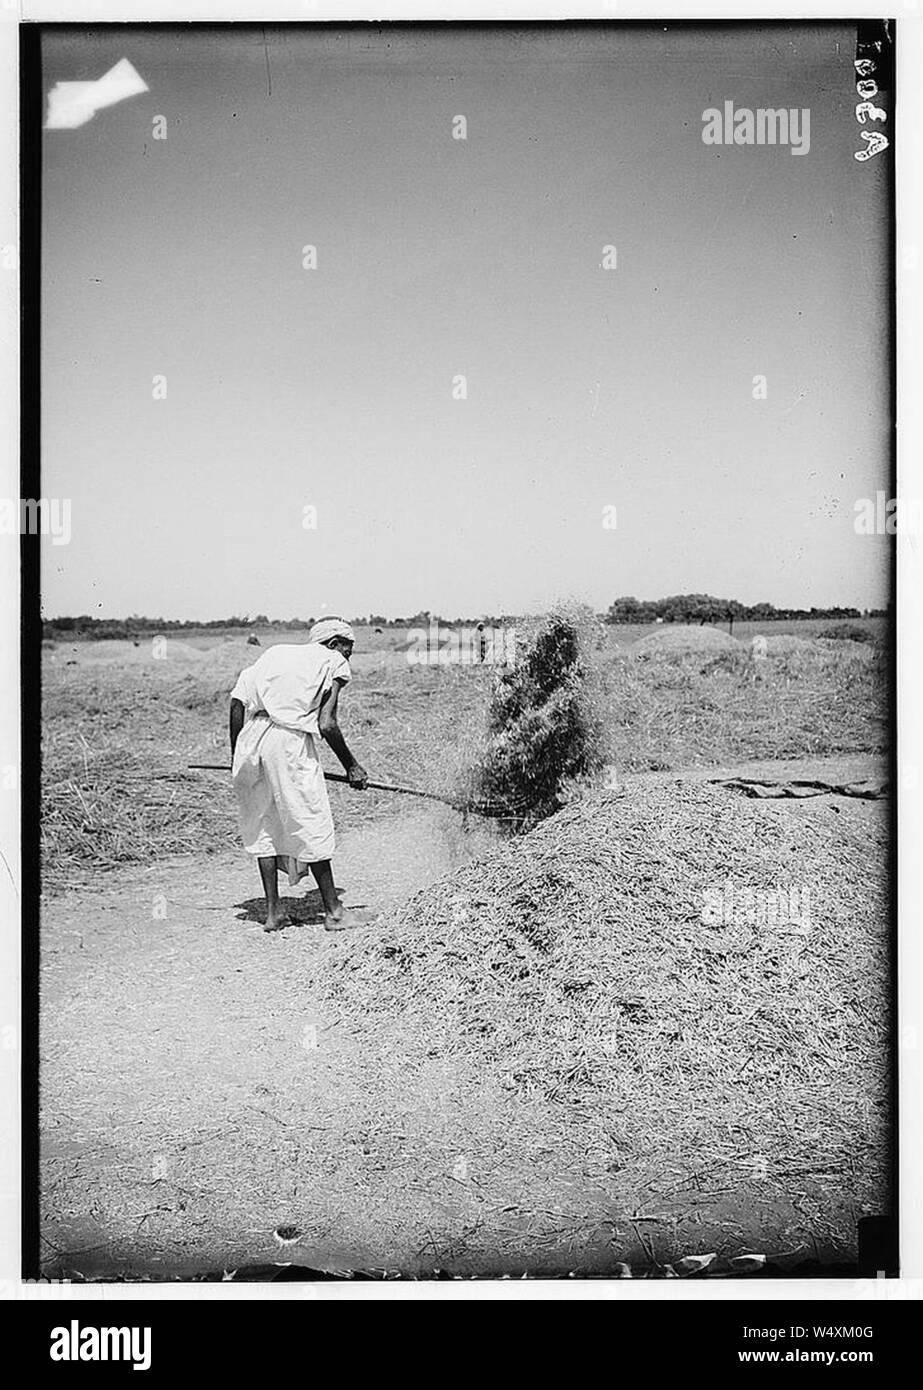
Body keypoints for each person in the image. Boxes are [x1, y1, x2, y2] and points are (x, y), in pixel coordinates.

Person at [229, 617, 369, 932]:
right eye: (348, 650)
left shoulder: (275, 654)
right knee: (308, 818)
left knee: (264, 821)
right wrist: (351, 766)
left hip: (253, 738)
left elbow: (237, 701)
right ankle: (334, 911)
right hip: (289, 742)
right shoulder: (332, 661)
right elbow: (327, 724)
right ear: (334, 644)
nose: (348, 658)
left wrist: (236, 753)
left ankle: (274, 912)